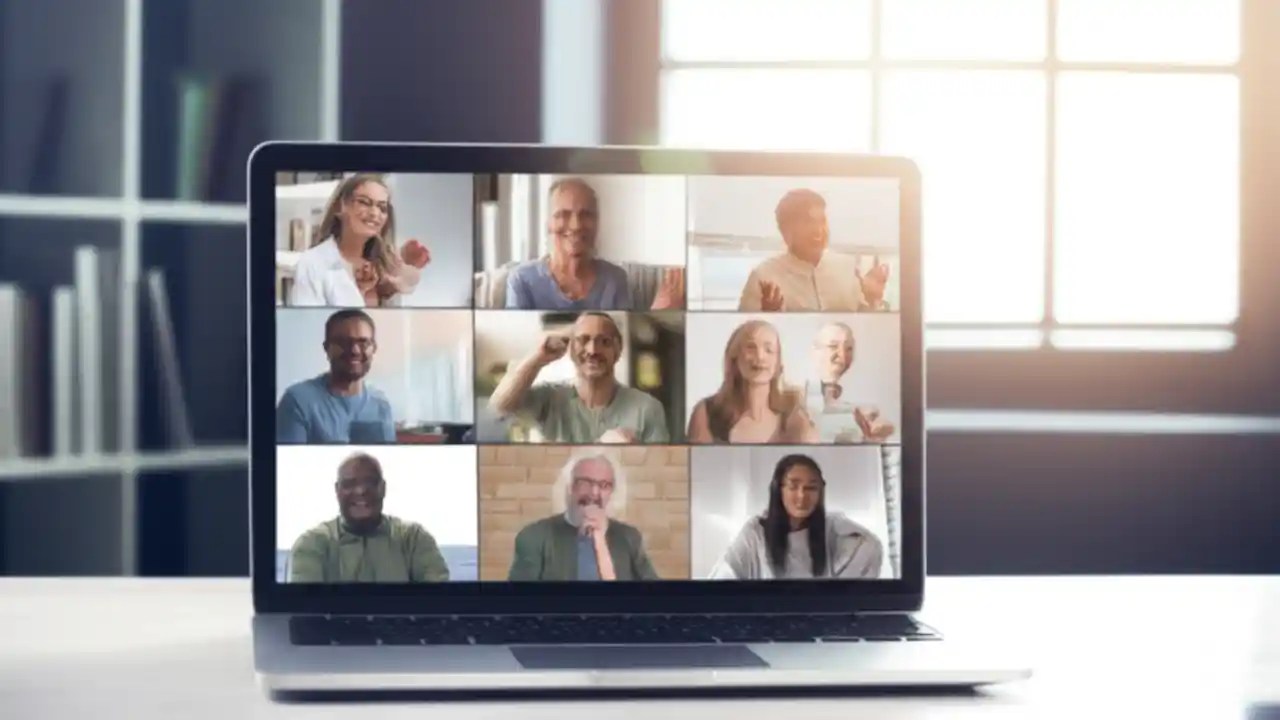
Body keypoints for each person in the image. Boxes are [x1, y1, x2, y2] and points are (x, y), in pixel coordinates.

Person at [504, 177, 685, 311]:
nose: (576, 225)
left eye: (586, 215)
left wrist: (659, 313)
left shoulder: (615, 279)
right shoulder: (521, 280)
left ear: (597, 222)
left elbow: (619, 339)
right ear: (548, 224)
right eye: (563, 214)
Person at [488, 312, 670, 443]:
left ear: (618, 350)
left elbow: (662, 476)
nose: (593, 350)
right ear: (571, 350)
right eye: (583, 340)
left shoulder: (648, 408)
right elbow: (498, 406)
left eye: (604, 342)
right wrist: (538, 357)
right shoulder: (549, 399)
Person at [708, 454, 883, 580]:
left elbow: (870, 546)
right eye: (793, 486)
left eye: (811, 488)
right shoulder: (755, 533)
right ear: (779, 489)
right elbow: (723, 579)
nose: (802, 496)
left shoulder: (832, 527)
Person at [289, 452, 449, 583]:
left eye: (370, 482)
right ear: (337, 491)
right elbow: (305, 611)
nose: (360, 491)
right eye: (349, 484)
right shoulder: (311, 544)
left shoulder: (413, 538)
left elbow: (439, 603)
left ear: (383, 488)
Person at [508, 449, 659, 581]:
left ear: (612, 492)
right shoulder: (534, 536)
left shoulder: (629, 537)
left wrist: (600, 543)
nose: (594, 492)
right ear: (569, 487)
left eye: (604, 485)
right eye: (585, 482)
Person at [289, 173, 431, 307]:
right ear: (340, 207)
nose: (375, 213)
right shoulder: (313, 263)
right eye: (364, 202)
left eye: (382, 208)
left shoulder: (385, 267)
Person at [737, 188, 890, 312]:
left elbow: (865, 328)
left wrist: (872, 299)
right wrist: (769, 318)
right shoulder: (763, 276)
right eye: (808, 222)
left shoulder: (848, 268)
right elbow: (747, 333)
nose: (818, 231)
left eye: (822, 221)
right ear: (785, 230)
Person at [686, 319, 819, 444]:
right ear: (734, 357)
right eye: (751, 347)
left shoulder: (793, 414)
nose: (760, 357)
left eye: (769, 350)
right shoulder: (706, 413)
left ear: (778, 363)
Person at [276, 309, 395, 443]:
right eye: (344, 342)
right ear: (327, 348)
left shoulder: (381, 405)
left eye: (363, 343)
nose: (355, 350)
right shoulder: (298, 401)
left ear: (374, 348)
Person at [805, 321, 896, 443]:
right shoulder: (795, 396)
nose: (842, 355)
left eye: (848, 348)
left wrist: (872, 438)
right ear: (815, 351)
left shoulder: (862, 400)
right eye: (833, 346)